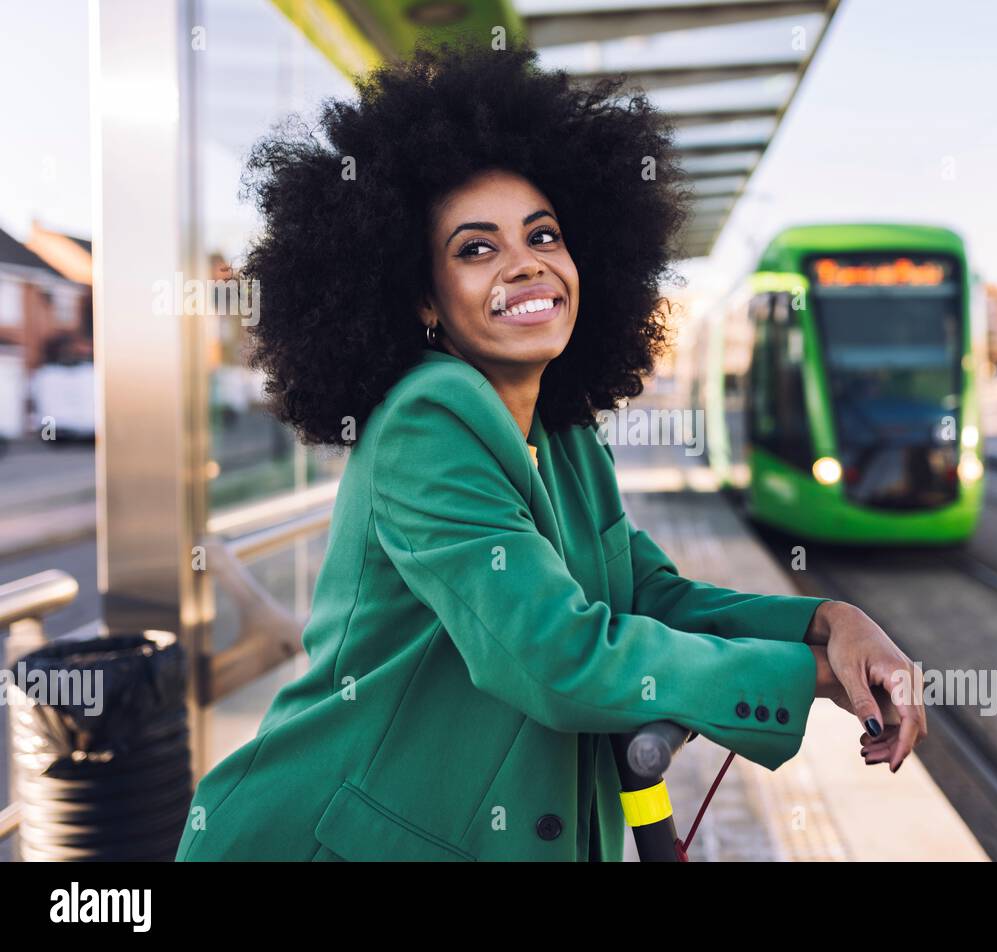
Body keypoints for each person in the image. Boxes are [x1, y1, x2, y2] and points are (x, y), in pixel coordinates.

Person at [176, 40, 925, 862]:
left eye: (544, 235)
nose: (525, 263)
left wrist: (829, 622)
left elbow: (644, 594)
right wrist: (812, 679)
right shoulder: (430, 419)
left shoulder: (561, 431)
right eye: (476, 247)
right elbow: (556, 656)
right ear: (423, 298)